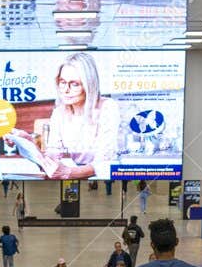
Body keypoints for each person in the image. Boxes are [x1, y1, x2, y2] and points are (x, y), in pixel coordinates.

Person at [7, 52, 119, 180]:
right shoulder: (59, 113)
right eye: (62, 82)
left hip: (109, 178)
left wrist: (69, 173)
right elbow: (52, 159)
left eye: (75, 84)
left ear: (89, 85)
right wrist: (28, 142)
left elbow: (104, 163)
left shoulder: (108, 107)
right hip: (81, 177)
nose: (66, 90)